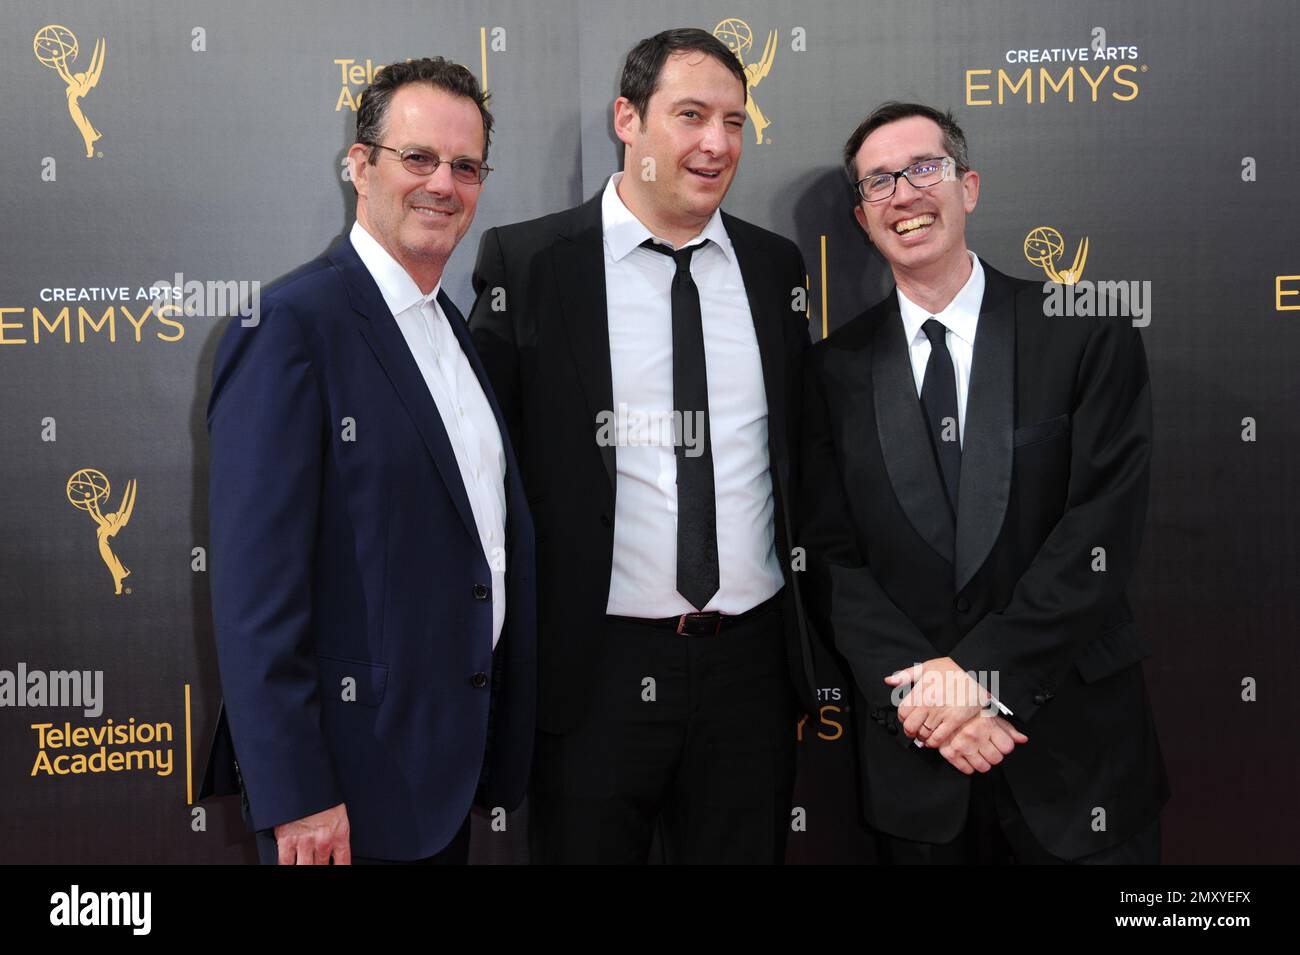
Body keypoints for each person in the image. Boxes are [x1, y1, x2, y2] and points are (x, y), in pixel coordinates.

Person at [468, 28, 817, 864]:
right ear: (628, 118)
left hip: (751, 670)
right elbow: (485, 465)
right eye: (691, 114)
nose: (716, 143)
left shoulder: (776, 270)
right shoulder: (531, 262)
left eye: (735, 121)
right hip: (595, 674)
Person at [800, 102, 1168, 864]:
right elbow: (830, 558)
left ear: (968, 187)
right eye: (878, 183)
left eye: (923, 169)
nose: (904, 194)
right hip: (921, 766)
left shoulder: (1084, 330)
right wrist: (929, 701)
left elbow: (1099, 530)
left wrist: (979, 679)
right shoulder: (830, 372)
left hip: (1078, 762)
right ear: (863, 216)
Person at [199, 58, 535, 865]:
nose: (443, 185)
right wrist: (299, 793)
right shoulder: (289, 324)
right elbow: (255, 593)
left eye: (465, 166)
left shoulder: (452, 327)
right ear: (360, 165)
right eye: (418, 158)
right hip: (345, 790)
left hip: (441, 770)